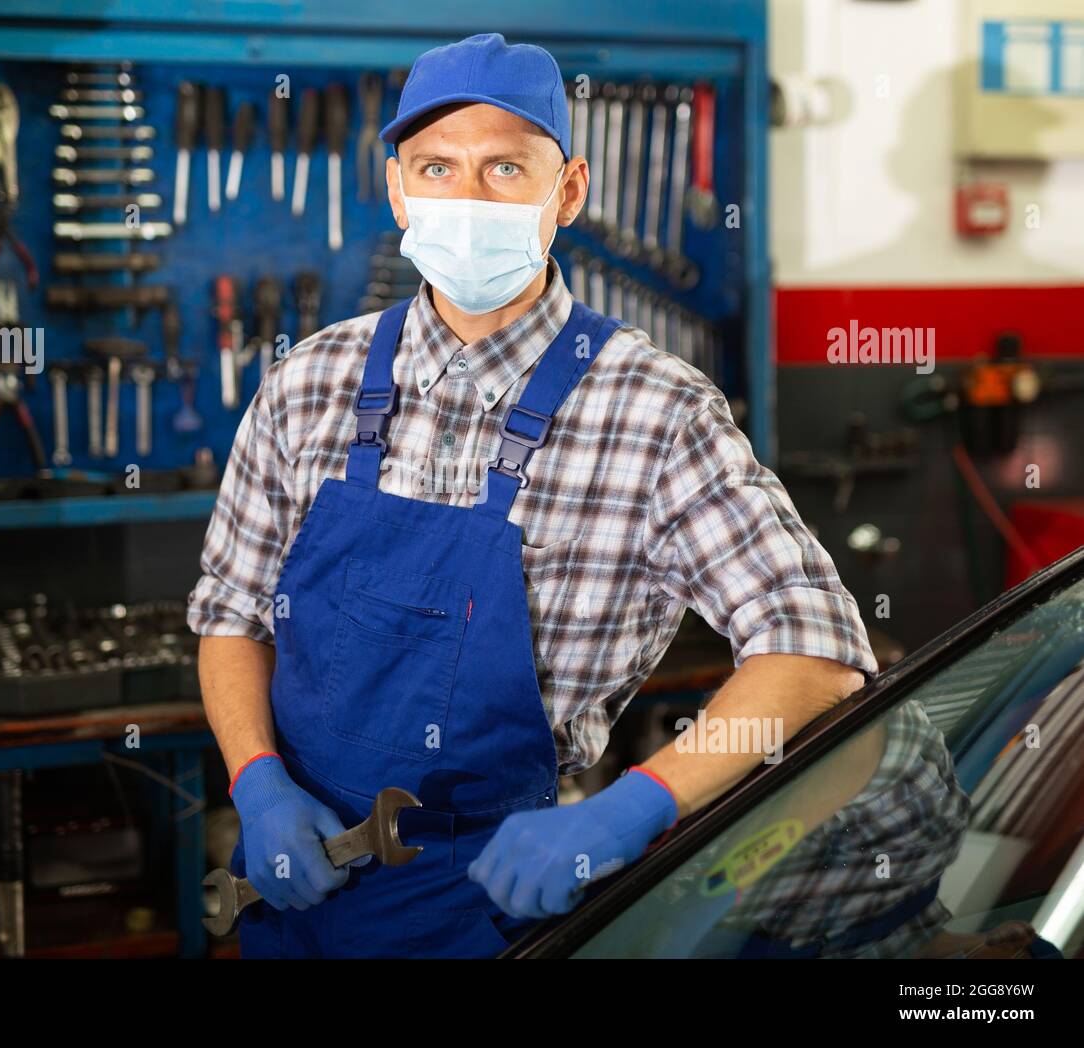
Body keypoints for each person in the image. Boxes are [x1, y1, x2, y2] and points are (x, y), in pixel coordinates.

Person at [187, 32, 877, 958]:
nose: (466, 199)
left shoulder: (654, 409)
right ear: (397, 188)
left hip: (504, 906)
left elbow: (817, 649)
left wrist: (639, 807)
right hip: (302, 894)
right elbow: (232, 614)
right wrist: (258, 783)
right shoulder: (309, 380)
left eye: (506, 167)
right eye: (436, 167)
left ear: (569, 190)